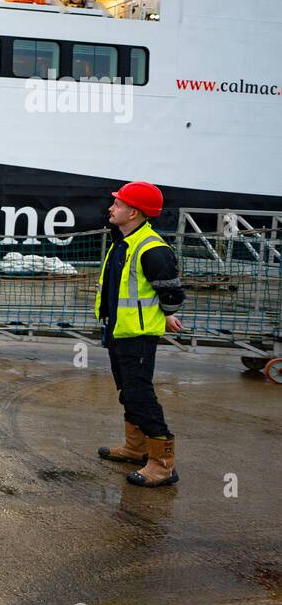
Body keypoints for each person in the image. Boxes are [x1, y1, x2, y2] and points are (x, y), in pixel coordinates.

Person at [94, 182, 186, 487]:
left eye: (118, 204)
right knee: (127, 392)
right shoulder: (124, 241)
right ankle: (136, 448)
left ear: (134, 212)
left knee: (140, 395)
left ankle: (162, 463)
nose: (111, 208)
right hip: (119, 331)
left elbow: (171, 291)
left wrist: (167, 313)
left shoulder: (152, 248)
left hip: (138, 336)